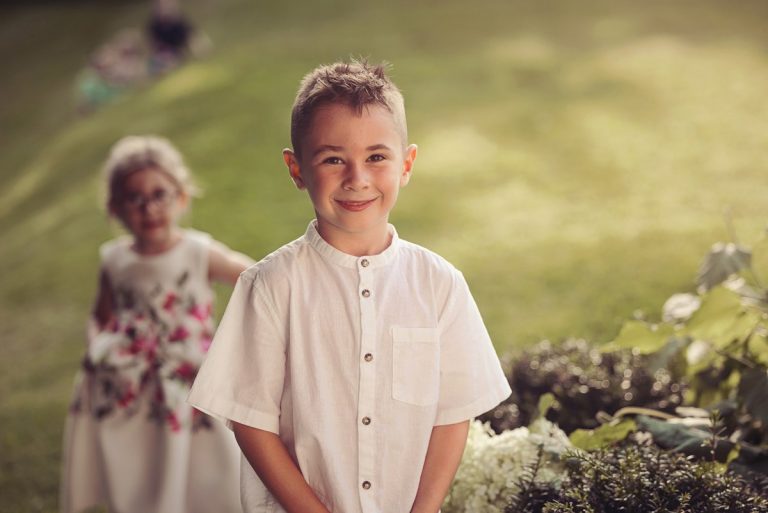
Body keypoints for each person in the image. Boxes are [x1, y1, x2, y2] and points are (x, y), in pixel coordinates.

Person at [188, 60, 512, 513]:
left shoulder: (440, 285)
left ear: (407, 163)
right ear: (297, 168)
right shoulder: (270, 285)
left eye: (376, 157)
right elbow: (250, 423)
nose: (357, 178)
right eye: (333, 159)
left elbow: (452, 414)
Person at [60, 135, 252, 513]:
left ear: (181, 198)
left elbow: (252, 276)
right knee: (147, 454)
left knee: (206, 457)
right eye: (135, 198)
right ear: (116, 208)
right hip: (135, 379)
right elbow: (101, 314)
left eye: (159, 195)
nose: (149, 207)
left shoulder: (198, 251)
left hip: (188, 373)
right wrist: (97, 349)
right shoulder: (114, 260)